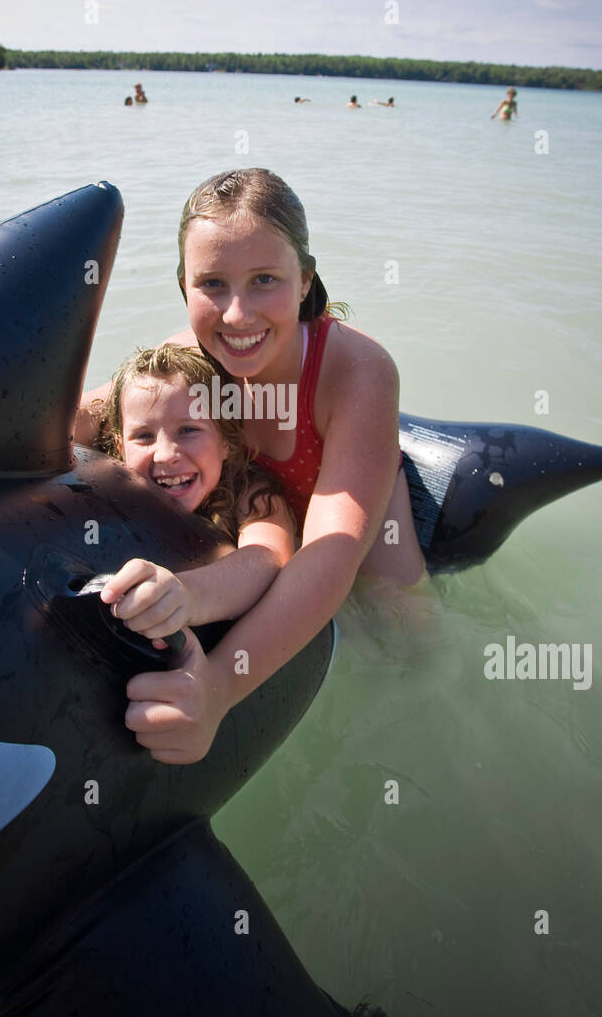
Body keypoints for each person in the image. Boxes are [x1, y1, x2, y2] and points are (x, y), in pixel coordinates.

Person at [80, 168, 428, 765]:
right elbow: (79, 419)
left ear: (304, 280)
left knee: (405, 649)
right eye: (212, 284)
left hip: (362, 539)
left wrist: (217, 690)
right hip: (260, 521)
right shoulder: (190, 360)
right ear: (184, 286)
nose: (237, 315)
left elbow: (331, 556)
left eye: (264, 280)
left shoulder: (357, 371)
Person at [89, 342, 295, 646]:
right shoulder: (114, 491)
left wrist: (189, 595)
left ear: (226, 441)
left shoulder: (250, 493)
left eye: (188, 430)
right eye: (144, 436)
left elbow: (268, 558)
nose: (165, 454)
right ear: (120, 448)